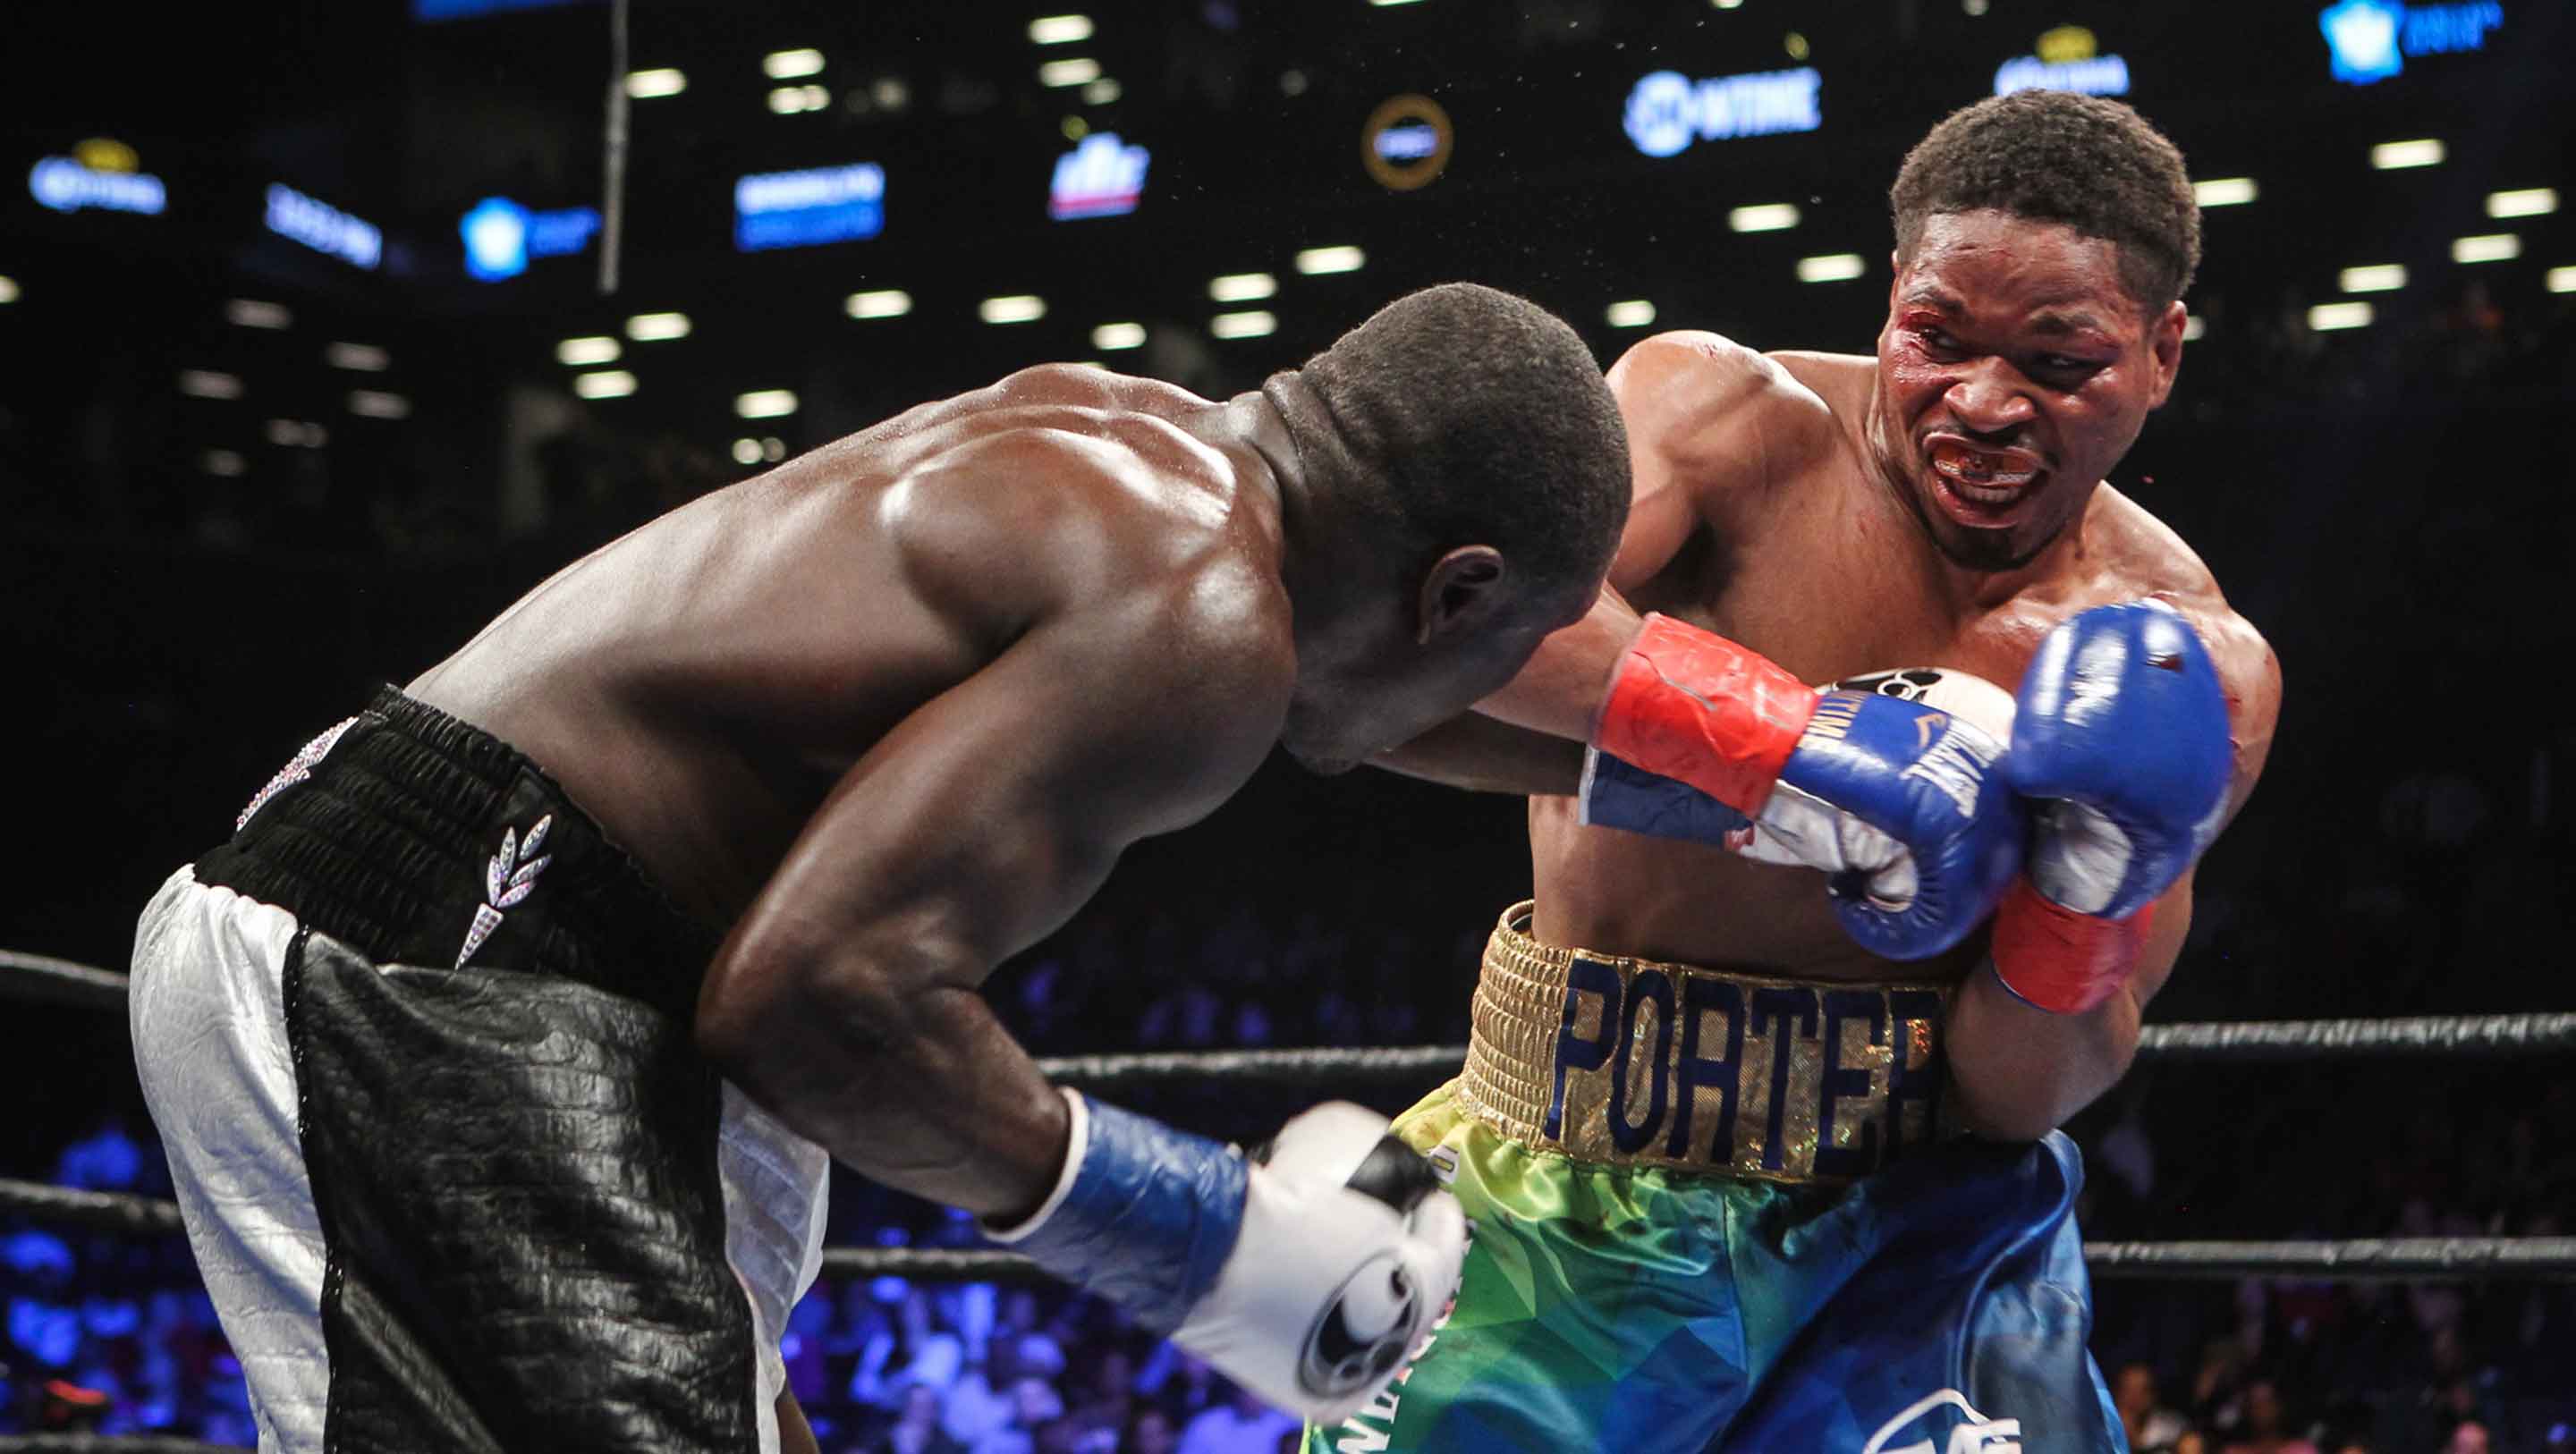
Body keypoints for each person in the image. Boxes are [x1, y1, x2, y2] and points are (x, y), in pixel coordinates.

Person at [124, 283, 1643, 1454]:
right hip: (455, 965)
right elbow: (809, 998)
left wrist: (1746, 785)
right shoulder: (1208, 618)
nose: (1468, 719)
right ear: (1459, 593)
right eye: (1495, 661)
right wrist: (1204, 1238)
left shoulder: (1140, 454)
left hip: (492, 944)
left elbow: (1382, 715)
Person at [1327, 91, 2283, 1451]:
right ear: (1892, 295)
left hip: (1921, 1236)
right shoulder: (1723, 419)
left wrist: (2078, 904)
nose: (1986, 404)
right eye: (1937, 339)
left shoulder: (2187, 663)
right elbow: (1452, 616)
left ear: (2162, 349)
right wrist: (1792, 751)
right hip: (1567, 1188)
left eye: (2058, 362)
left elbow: (2020, 1088)